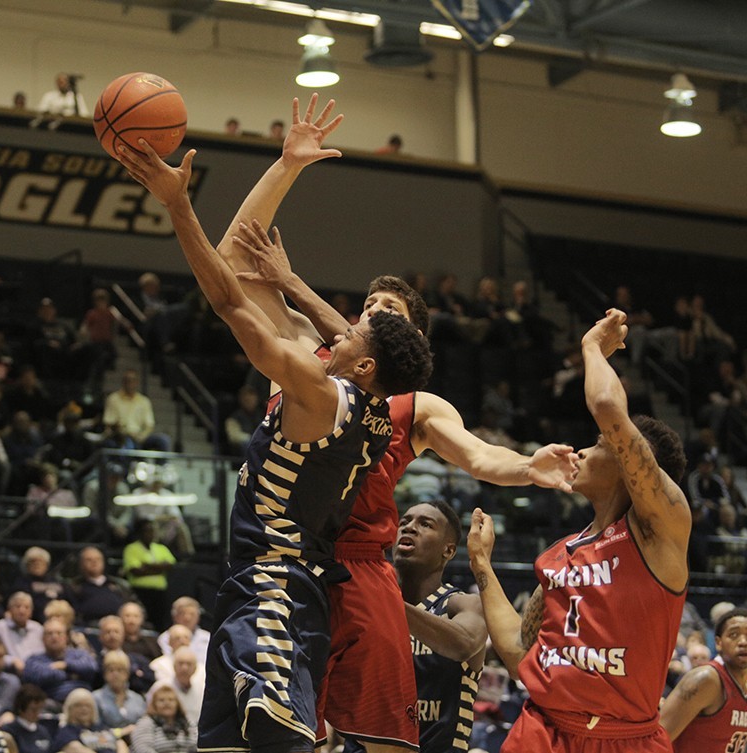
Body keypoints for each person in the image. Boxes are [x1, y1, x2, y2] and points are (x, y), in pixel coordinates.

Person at [211, 94, 576, 753]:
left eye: (391, 311)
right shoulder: (303, 358)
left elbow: (479, 455)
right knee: (262, 736)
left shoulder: (416, 405)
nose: (373, 313)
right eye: (368, 305)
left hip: (358, 568)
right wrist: (287, 166)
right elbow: (232, 259)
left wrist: (527, 465)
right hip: (283, 560)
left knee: (376, 742)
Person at [115, 118, 431, 753]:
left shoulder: (322, 394)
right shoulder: (361, 405)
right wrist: (286, 165)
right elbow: (240, 255)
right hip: (266, 581)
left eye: (357, 330)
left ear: (364, 362)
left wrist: (179, 205)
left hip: (278, 590)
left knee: (279, 742)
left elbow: (230, 298)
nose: (342, 328)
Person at [468, 309, 690, 752]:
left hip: (624, 738)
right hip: (542, 730)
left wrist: (591, 347)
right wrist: (481, 565)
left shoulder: (660, 529)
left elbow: (608, 407)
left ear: (633, 462)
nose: (583, 452)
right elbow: (518, 652)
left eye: (600, 444)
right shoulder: (562, 552)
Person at [396, 502, 486, 752]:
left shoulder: (463, 605)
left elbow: (464, 644)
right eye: (404, 522)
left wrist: (386, 602)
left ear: (448, 550)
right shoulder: (373, 604)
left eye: (425, 524)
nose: (410, 528)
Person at [660, 608, 747, 750]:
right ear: (718, 643)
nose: (743, 642)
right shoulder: (706, 679)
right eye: (734, 634)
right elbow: (657, 739)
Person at [121, 520, 176, 631]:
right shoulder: (131, 549)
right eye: (147, 531)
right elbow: (136, 571)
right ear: (140, 533)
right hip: (140, 593)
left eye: (152, 531)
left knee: (160, 624)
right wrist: (159, 568)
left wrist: (147, 566)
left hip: (160, 593)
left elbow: (170, 565)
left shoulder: (161, 548)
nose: (150, 534)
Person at [66, 546, 138, 626]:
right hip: (87, 628)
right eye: (89, 560)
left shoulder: (120, 585)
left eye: (98, 559)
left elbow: (135, 608)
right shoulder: (74, 587)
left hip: (119, 627)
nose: (94, 562)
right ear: (81, 564)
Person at [94, 649, 148, 738]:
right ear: (104, 674)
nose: (115, 674)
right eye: (111, 670)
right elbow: (96, 730)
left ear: (127, 674)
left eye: (120, 670)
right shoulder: (96, 698)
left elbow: (144, 726)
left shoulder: (138, 699)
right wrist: (121, 732)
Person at [0, 591, 45, 674]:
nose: (22, 611)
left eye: (26, 607)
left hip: (36, 671)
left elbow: (43, 653)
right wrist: (11, 661)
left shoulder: (38, 628)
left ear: (31, 612)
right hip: (9, 671)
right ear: (10, 609)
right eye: (18, 606)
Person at [131, 683, 197, 753]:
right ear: (154, 704)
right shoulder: (146, 723)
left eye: (171, 700)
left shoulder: (187, 722)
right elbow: (143, 749)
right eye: (161, 700)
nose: (167, 703)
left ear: (177, 704)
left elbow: (198, 744)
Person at [1, 684, 52, 753]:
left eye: (40, 709)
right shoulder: (9, 731)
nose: (38, 713)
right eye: (33, 710)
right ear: (20, 709)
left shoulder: (43, 731)